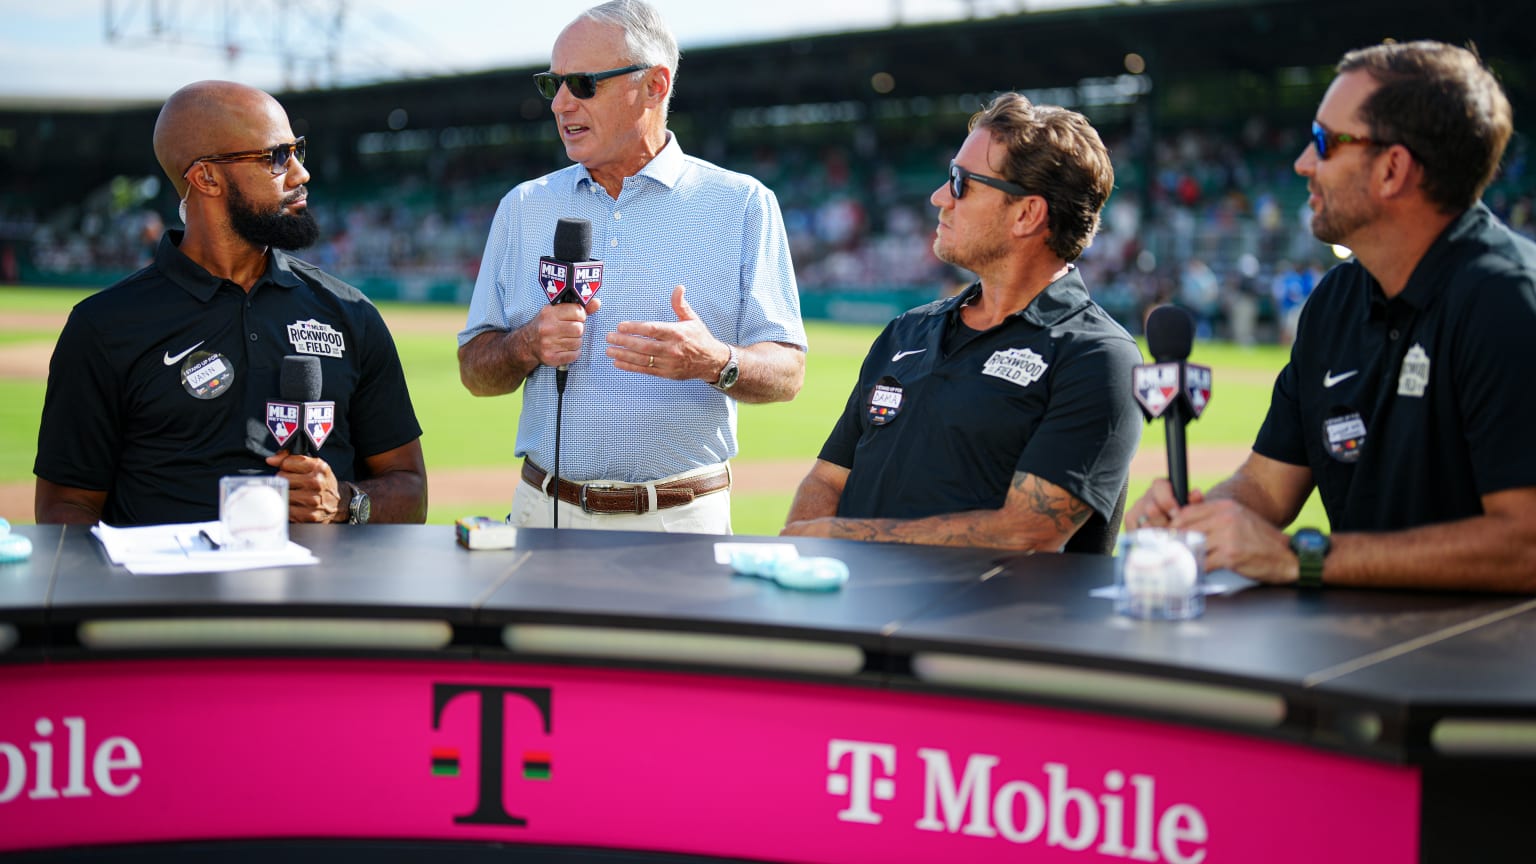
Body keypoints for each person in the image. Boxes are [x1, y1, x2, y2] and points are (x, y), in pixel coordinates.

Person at [1127, 40, 1536, 593]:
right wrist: (1193, 524)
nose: (1302, 162)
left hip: (1476, 649)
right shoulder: (1335, 300)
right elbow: (1265, 488)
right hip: (1358, 639)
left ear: (1392, 169)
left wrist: (1304, 557)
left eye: (1323, 142)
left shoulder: (1508, 300)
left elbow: (1526, 543)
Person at [457, 0, 806, 534]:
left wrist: (715, 361)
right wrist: (526, 343)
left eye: (583, 84)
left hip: (680, 519)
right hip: (544, 512)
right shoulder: (524, 206)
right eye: (553, 85)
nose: (561, 104)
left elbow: (788, 372)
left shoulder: (742, 204)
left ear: (654, 86)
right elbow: (474, 371)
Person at [34, 80, 427, 527]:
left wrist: (346, 502)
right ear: (206, 177)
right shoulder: (103, 326)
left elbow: (411, 490)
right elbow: (65, 507)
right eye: (277, 157)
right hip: (166, 575)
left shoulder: (350, 313)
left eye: (298, 151)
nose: (300, 174)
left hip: (320, 576)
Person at [781, 93, 1142, 551]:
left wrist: (849, 538)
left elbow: (1027, 533)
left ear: (1027, 214)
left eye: (960, 182)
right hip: (852, 597)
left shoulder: (1097, 356)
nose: (939, 197)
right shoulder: (906, 331)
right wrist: (802, 555)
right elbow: (827, 481)